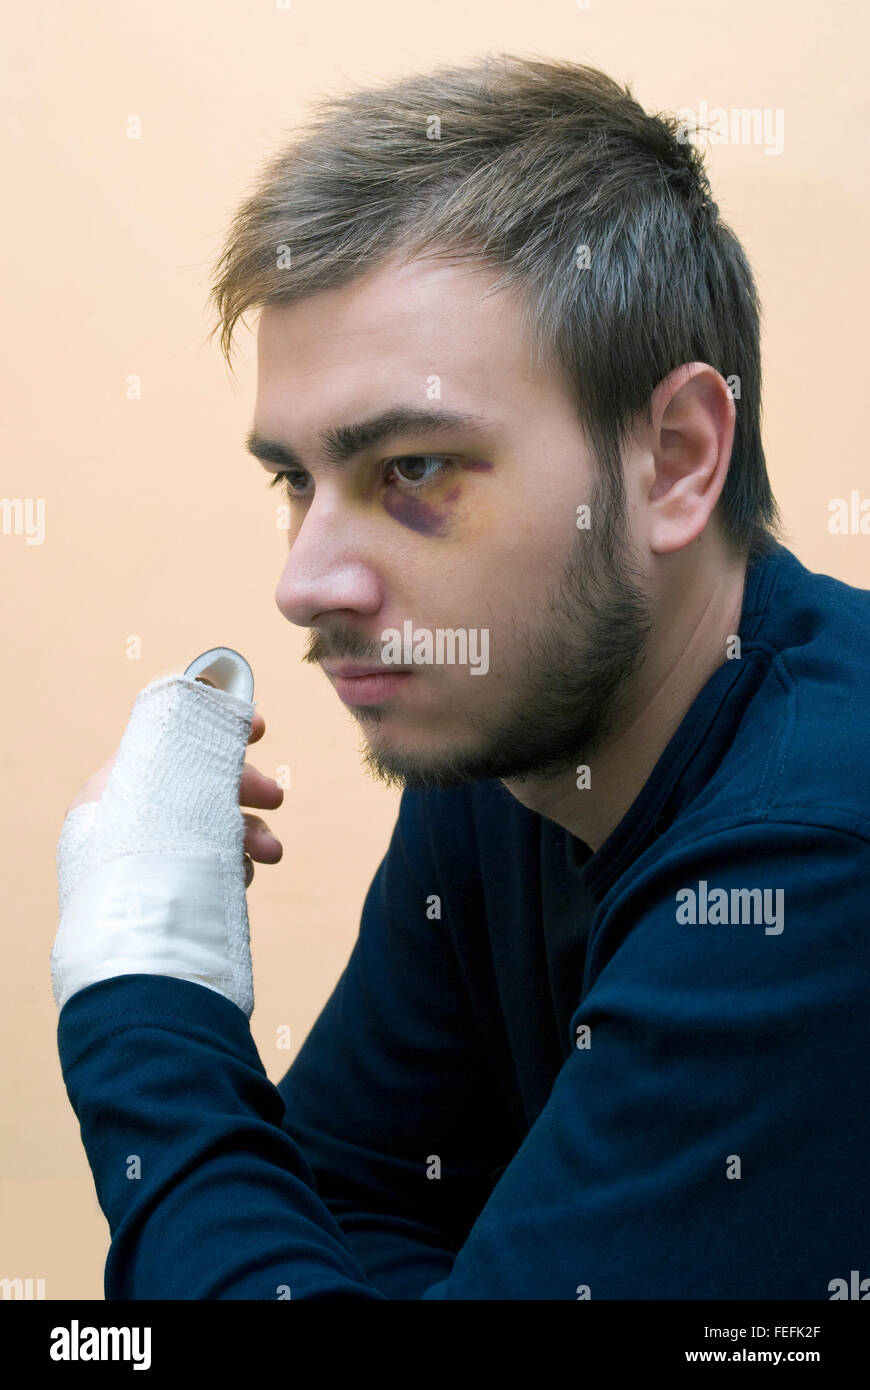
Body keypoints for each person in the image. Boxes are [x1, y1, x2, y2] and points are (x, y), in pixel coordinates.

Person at [54, 53, 870, 1299]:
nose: (306, 581)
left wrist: (145, 999)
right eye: (296, 480)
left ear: (674, 459)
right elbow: (352, 1193)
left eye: (417, 469)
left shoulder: (817, 861)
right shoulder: (520, 739)